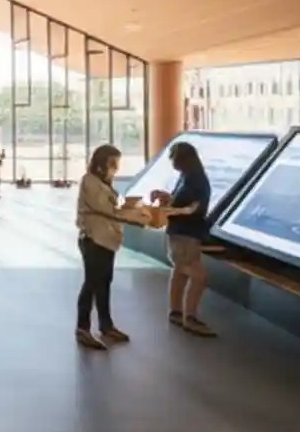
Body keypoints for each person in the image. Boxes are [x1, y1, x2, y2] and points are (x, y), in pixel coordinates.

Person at [75, 144, 150, 350]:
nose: (116, 167)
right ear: (100, 164)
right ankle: (83, 328)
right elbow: (105, 209)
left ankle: (106, 325)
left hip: (106, 240)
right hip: (93, 239)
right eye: (112, 163)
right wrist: (133, 216)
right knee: (92, 282)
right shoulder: (89, 181)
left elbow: (111, 208)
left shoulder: (103, 182)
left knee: (104, 282)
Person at [152, 141, 216, 337]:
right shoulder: (191, 177)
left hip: (183, 233)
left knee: (181, 271)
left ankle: (176, 311)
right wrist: (168, 202)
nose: (172, 163)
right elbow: (187, 207)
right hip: (186, 234)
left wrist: (167, 205)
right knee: (198, 276)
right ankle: (190, 317)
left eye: (174, 159)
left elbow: (188, 207)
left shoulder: (192, 179)